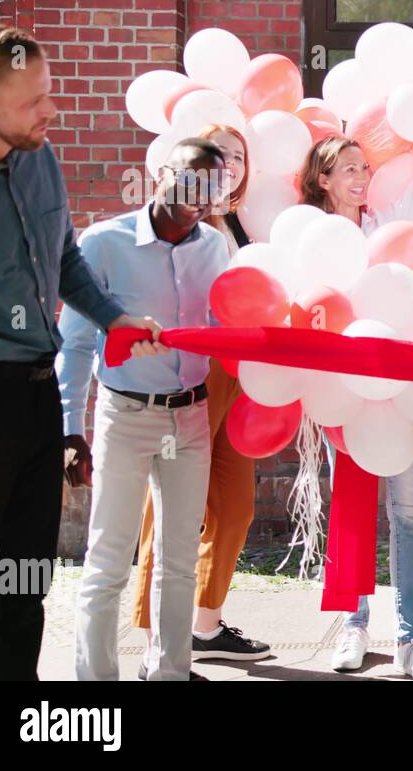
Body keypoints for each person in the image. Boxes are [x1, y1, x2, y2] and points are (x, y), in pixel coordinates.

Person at [0, 23, 161, 681]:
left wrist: (113, 319)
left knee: (22, 582)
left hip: (33, 399)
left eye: (48, 93)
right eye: (33, 101)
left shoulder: (40, 156)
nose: (51, 110)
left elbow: (63, 257)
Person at [60, 138, 231, 681]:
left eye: (213, 184)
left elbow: (223, 330)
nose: (200, 195)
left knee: (178, 561)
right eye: (190, 178)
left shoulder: (215, 248)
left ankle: (169, 673)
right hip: (126, 415)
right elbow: (77, 343)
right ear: (159, 173)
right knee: (109, 558)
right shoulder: (105, 243)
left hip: (190, 417)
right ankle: (96, 685)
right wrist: (70, 428)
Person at [298, 135, 413, 681]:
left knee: (407, 518)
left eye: (365, 166)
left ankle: (410, 639)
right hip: (347, 401)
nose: (361, 177)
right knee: (353, 512)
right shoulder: (310, 239)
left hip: (403, 397)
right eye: (348, 169)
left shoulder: (385, 222)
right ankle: (354, 624)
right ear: (323, 179)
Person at [128, 124, 271, 664]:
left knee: (235, 508)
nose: (230, 165)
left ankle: (205, 628)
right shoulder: (179, 223)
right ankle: (151, 642)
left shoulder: (238, 223)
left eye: (239, 157)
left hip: (237, 375)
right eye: (221, 156)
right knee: (168, 508)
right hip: (188, 373)